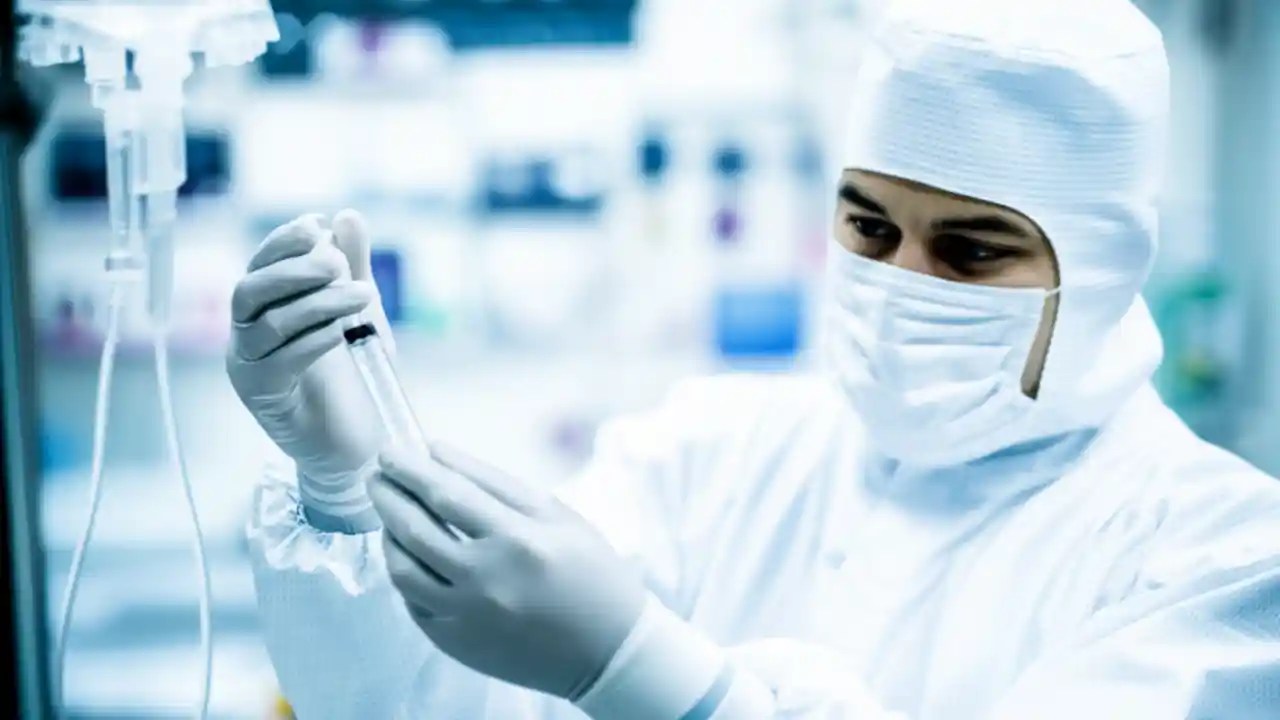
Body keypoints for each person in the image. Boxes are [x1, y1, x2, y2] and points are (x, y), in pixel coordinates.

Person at [228, 0, 1280, 718]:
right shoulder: (713, 454)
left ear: (1099, 270)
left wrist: (651, 676)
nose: (901, 280)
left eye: (969, 251)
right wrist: (344, 493)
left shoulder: (1223, 562)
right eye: (869, 229)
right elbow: (421, 710)